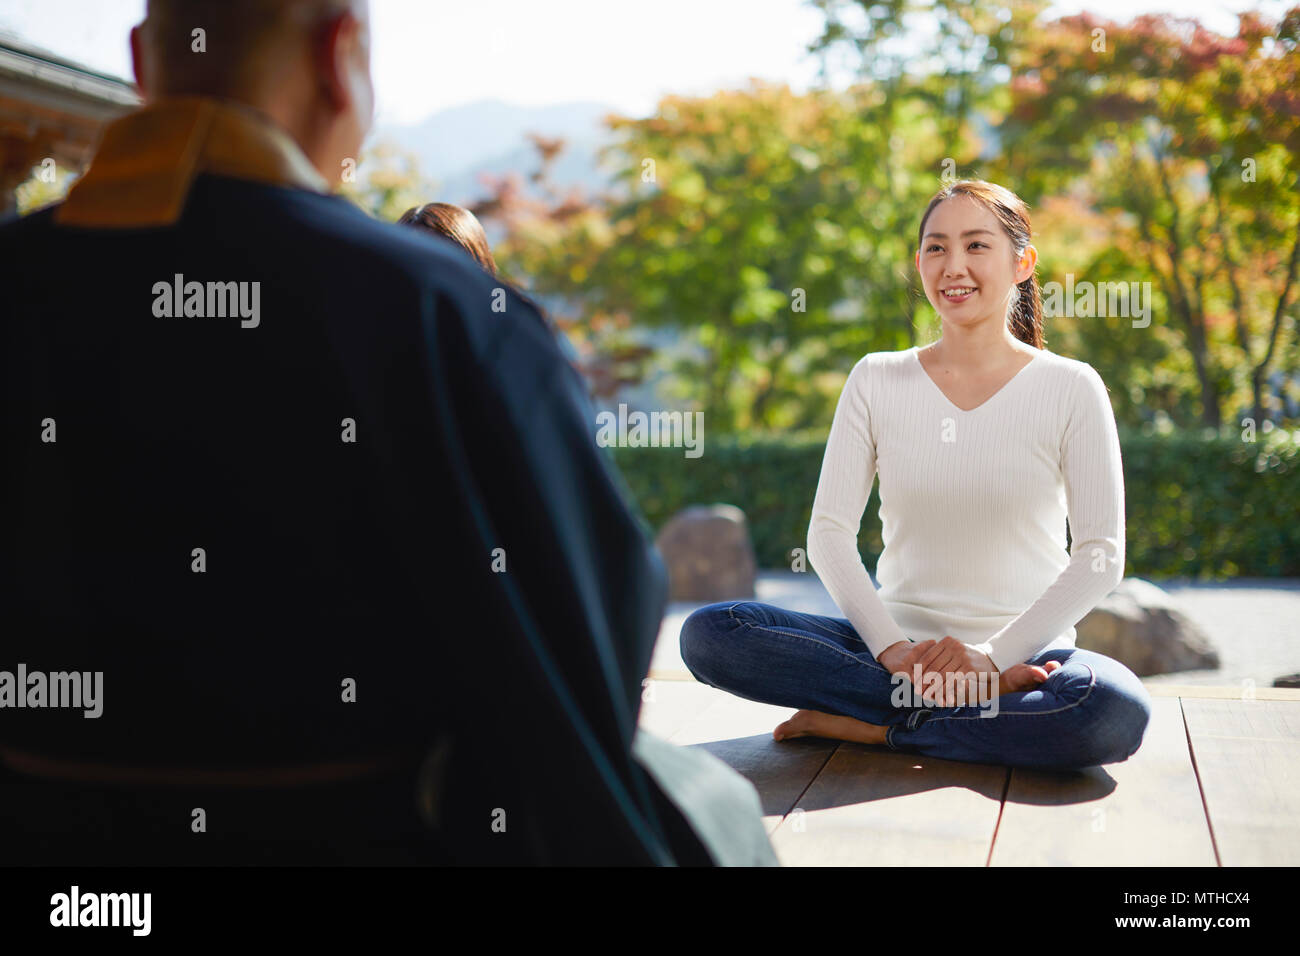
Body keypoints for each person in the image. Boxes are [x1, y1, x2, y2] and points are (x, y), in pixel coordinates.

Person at [0, 0, 775, 865]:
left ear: (144, 63)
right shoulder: (439, 313)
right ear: (340, 57)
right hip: (389, 836)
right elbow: (597, 628)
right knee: (719, 810)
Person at [680, 180, 1152, 772]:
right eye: (936, 248)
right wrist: (893, 650)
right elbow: (827, 536)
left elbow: (1101, 555)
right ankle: (957, 716)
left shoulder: (1071, 387)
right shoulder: (877, 378)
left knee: (1109, 709)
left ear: (1023, 262)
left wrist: (991, 659)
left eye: (977, 245)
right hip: (888, 656)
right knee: (712, 633)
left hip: (1030, 660)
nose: (953, 266)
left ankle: (881, 730)